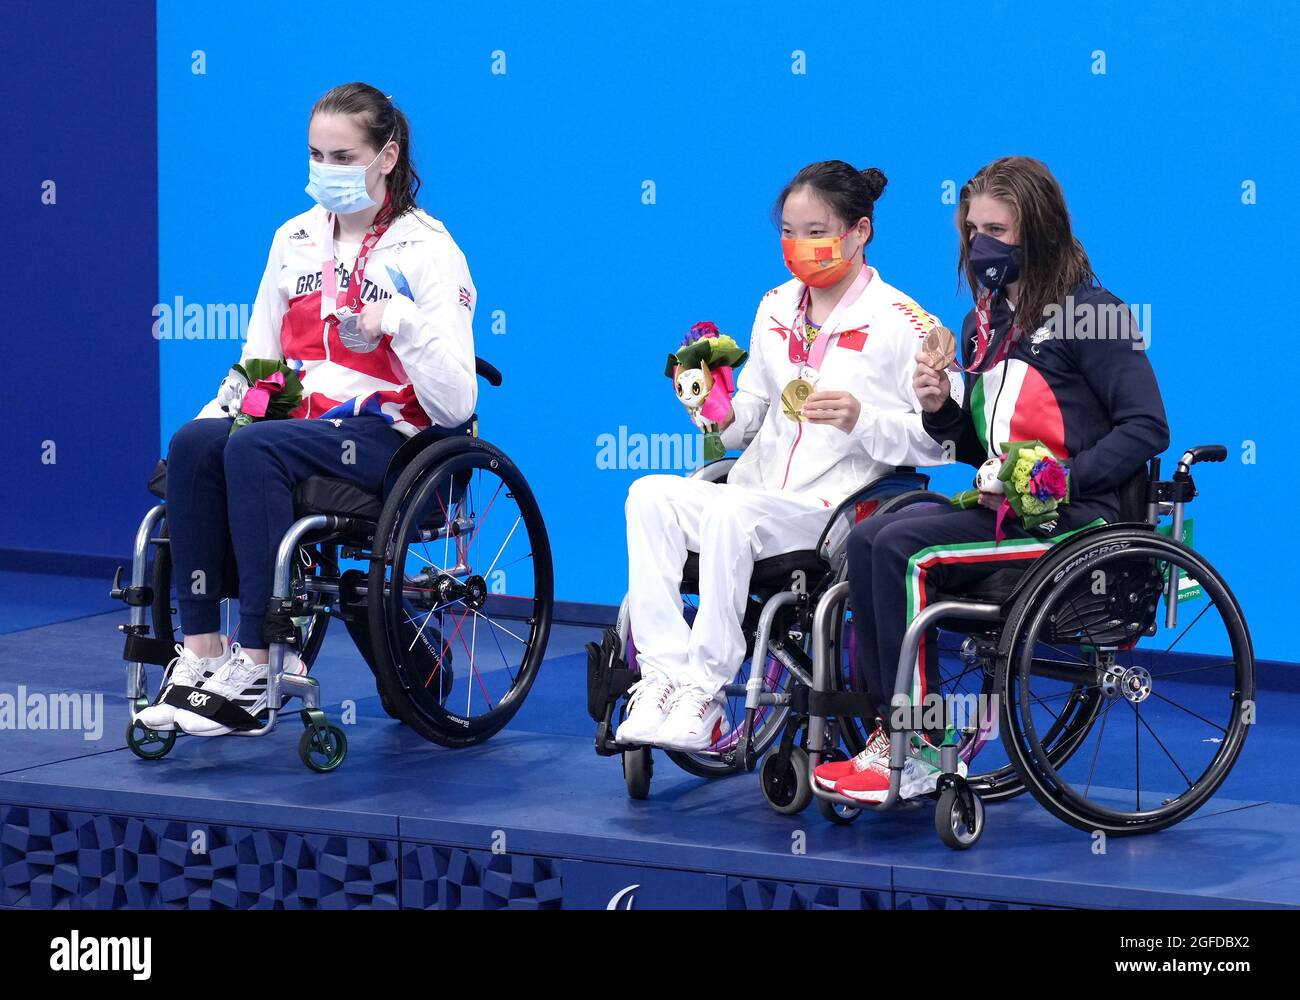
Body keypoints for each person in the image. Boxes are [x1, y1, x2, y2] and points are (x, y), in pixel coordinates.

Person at [815, 155, 1170, 802]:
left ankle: (916, 745)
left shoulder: (1096, 313)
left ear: (1040, 233)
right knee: (871, 537)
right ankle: (884, 732)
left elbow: (1148, 428)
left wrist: (1057, 482)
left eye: (998, 231)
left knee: (902, 548)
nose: (982, 245)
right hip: (1006, 511)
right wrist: (940, 409)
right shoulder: (984, 325)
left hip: (1077, 521)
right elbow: (980, 446)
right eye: (973, 229)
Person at [135, 82, 477, 737]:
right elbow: (262, 366)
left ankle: (261, 660)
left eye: (343, 158)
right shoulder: (292, 239)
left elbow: (458, 401)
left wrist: (399, 320)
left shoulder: (429, 250)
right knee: (196, 442)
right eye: (316, 156)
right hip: (301, 425)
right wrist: (210, 427)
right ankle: (202, 654)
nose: (326, 172)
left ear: (387, 157)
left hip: (392, 438)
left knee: (253, 447)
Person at [621, 161, 955, 751]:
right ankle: (663, 677)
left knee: (727, 513)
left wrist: (863, 419)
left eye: (816, 231)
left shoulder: (907, 324)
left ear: (860, 231)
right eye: (789, 231)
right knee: (648, 494)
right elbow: (749, 417)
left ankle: (707, 691)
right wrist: (719, 412)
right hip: (756, 491)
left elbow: (944, 439)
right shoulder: (774, 305)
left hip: (831, 510)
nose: (800, 246)